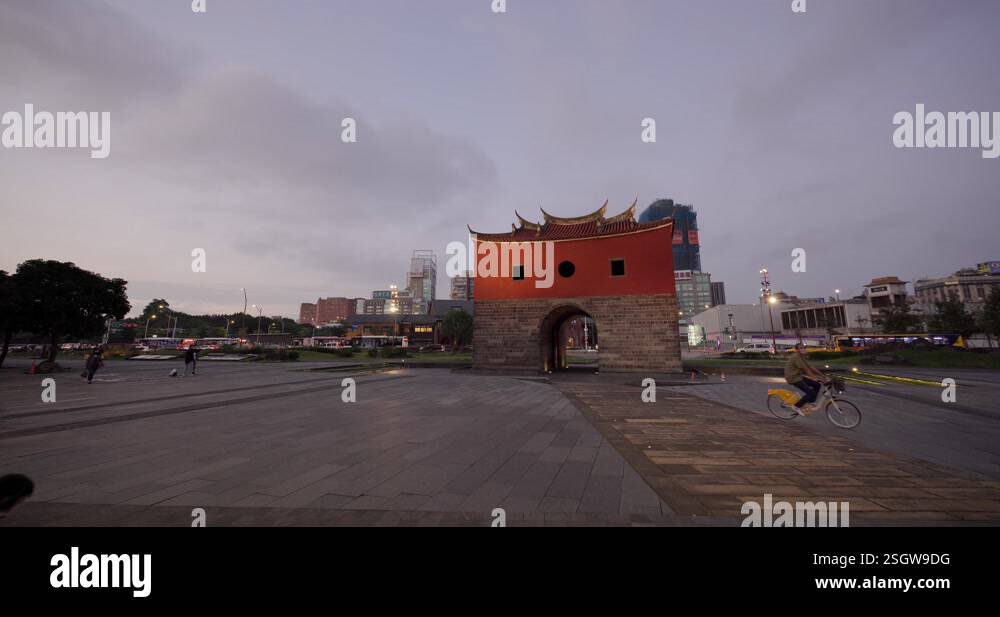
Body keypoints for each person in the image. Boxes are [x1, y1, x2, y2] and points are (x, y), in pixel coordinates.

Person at [784, 343, 826, 415]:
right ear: (797, 350)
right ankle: (796, 406)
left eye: (803, 347)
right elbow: (806, 370)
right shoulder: (796, 357)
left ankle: (811, 402)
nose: (803, 349)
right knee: (810, 392)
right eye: (801, 348)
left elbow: (811, 367)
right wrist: (816, 378)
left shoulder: (801, 357)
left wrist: (822, 376)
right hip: (793, 378)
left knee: (817, 385)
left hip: (798, 376)